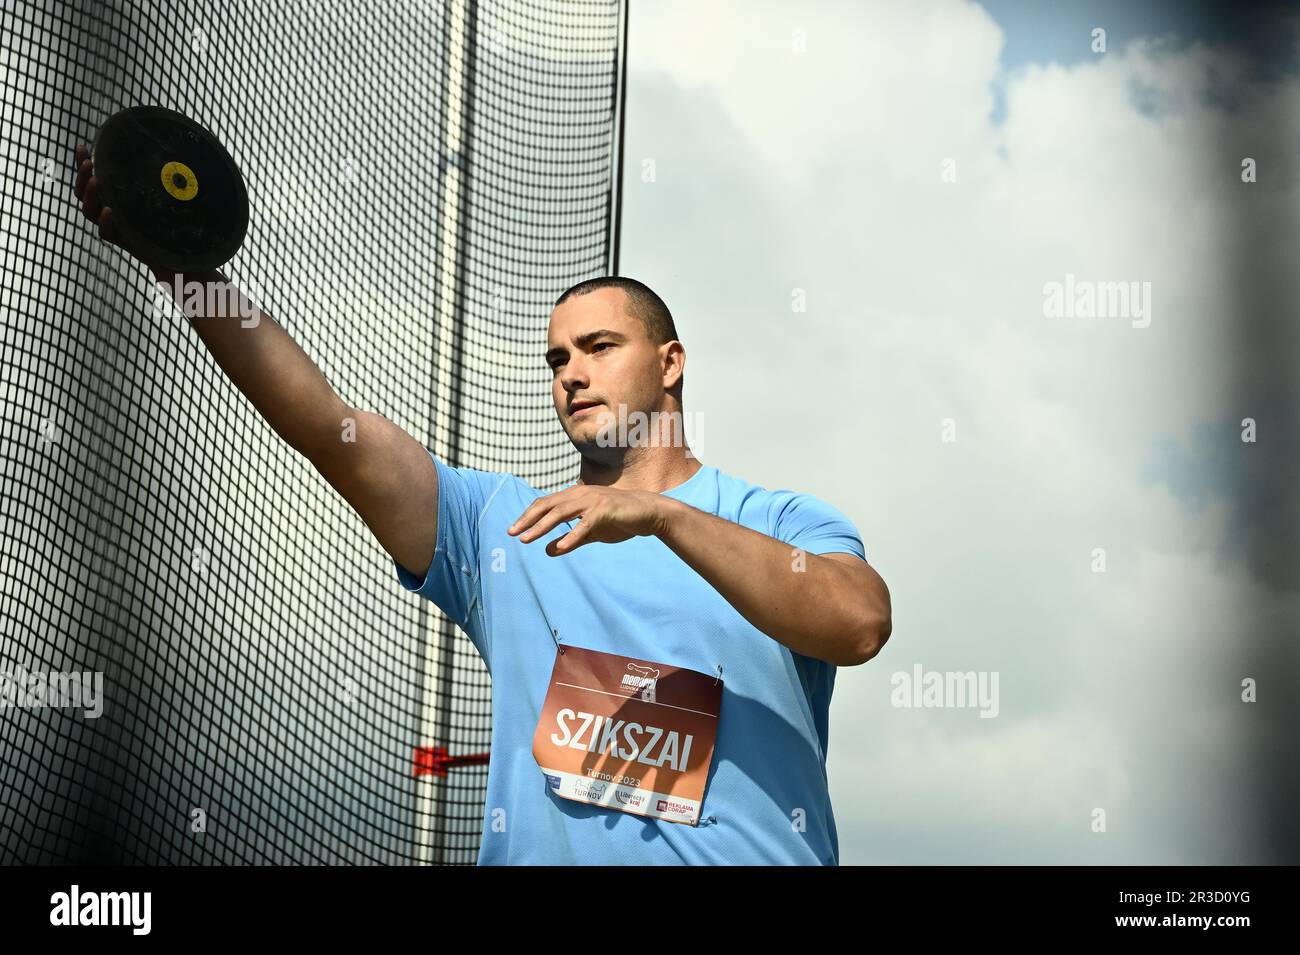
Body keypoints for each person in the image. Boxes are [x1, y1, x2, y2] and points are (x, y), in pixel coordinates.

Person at [72, 143, 892, 865]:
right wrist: (181, 267)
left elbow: (857, 623)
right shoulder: (501, 526)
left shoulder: (781, 522)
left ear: (671, 361)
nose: (571, 371)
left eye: (601, 347)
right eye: (557, 357)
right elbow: (328, 426)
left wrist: (664, 517)